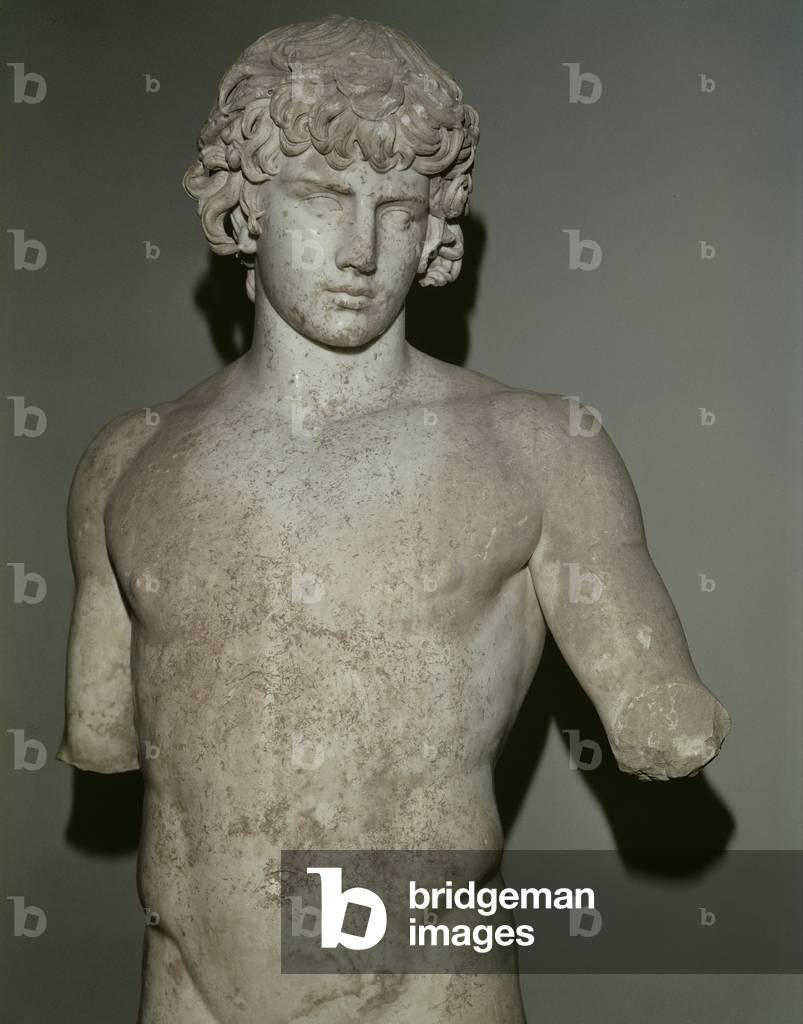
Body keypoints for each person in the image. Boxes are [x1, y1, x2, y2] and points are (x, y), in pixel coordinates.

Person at [57, 15, 730, 1023]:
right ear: (244, 205)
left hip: (420, 994)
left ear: (438, 229)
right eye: (323, 197)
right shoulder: (127, 463)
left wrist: (659, 706)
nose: (364, 249)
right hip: (184, 989)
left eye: (401, 210)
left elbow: (656, 716)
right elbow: (104, 736)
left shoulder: (535, 447)